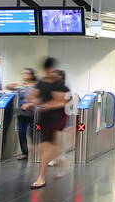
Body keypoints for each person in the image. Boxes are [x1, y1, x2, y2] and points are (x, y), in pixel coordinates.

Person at [31, 59, 70, 189]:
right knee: (46, 148)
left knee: (46, 148)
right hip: (43, 117)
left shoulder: (60, 85)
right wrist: (34, 102)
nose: (47, 72)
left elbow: (61, 102)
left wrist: (48, 105)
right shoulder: (41, 82)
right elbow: (33, 97)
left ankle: (41, 177)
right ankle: (60, 160)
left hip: (56, 118)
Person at [9, 68, 38, 161]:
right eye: (24, 73)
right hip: (21, 112)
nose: (25, 75)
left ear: (31, 75)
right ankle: (24, 153)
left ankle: (35, 152)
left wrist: (30, 104)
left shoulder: (36, 86)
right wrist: (10, 86)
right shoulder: (21, 86)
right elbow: (12, 92)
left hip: (33, 112)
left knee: (32, 133)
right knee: (21, 133)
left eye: (27, 73)